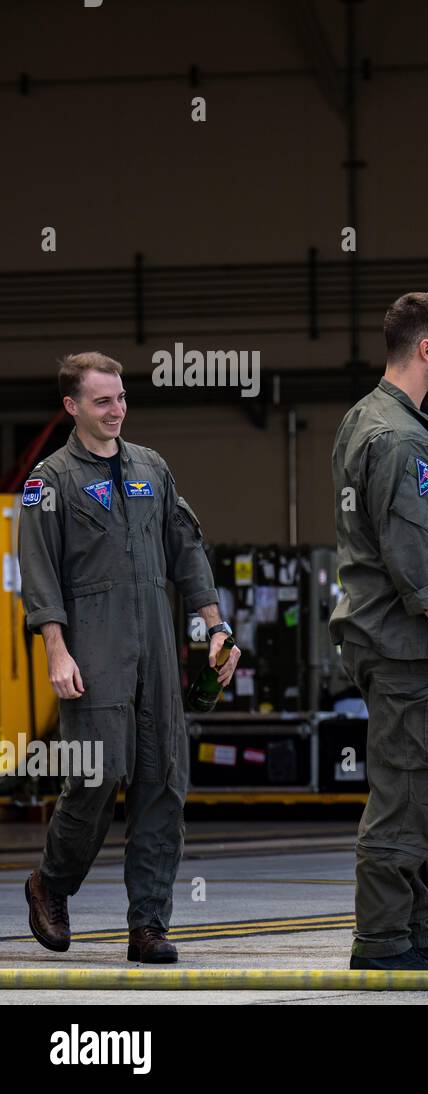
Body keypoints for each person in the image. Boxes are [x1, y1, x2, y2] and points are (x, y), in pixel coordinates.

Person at [19, 351, 237, 964]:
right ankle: (51, 885)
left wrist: (214, 628)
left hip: (157, 652)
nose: (116, 411)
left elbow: (186, 549)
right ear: (72, 406)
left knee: (163, 780)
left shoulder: (152, 468)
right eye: (102, 401)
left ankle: (148, 924)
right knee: (96, 777)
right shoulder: (50, 481)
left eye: (120, 398)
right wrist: (56, 652)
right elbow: (39, 576)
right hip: (93, 648)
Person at [330, 292, 428, 971]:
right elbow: (409, 552)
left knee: (424, 788)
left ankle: (411, 933)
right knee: (409, 790)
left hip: (390, 637)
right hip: (400, 640)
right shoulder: (397, 437)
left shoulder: (368, 418)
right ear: (424, 347)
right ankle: (386, 941)